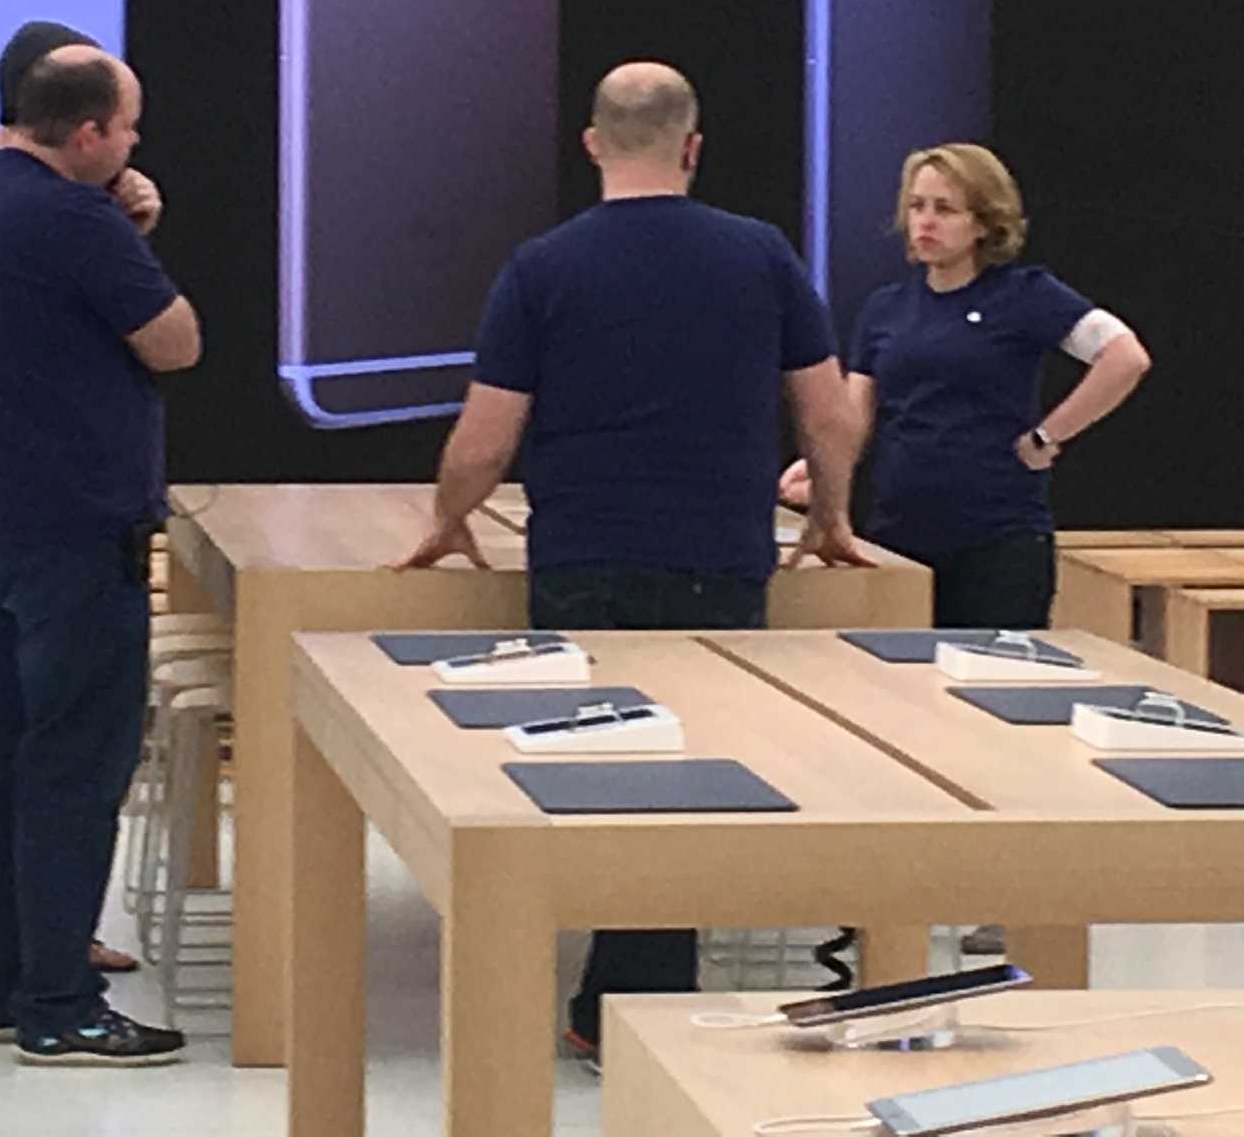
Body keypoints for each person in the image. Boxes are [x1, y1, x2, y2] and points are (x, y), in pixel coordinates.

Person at [397, 60, 868, 1060]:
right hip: (717, 555)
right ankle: (633, 1008)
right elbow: (827, 411)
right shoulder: (760, 255)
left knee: (587, 771)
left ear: (591, 144)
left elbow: (485, 437)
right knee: (690, 780)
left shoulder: (541, 266)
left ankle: (596, 996)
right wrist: (828, 517)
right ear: (691, 147)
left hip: (580, 558)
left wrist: (448, 521)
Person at [0, 39, 200, 1065]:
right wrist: (132, 235)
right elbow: (175, 341)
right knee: (76, 766)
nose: (132, 148)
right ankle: (59, 1003)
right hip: (73, 536)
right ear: (86, 132)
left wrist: (115, 226)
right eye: (125, 130)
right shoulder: (71, 217)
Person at [781, 142, 1151, 628]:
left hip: (996, 537)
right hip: (900, 531)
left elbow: (1125, 356)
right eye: (917, 207)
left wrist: (1049, 434)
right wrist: (821, 467)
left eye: (945, 210)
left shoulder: (1025, 294)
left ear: (983, 222)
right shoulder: (886, 308)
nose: (925, 222)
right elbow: (856, 414)